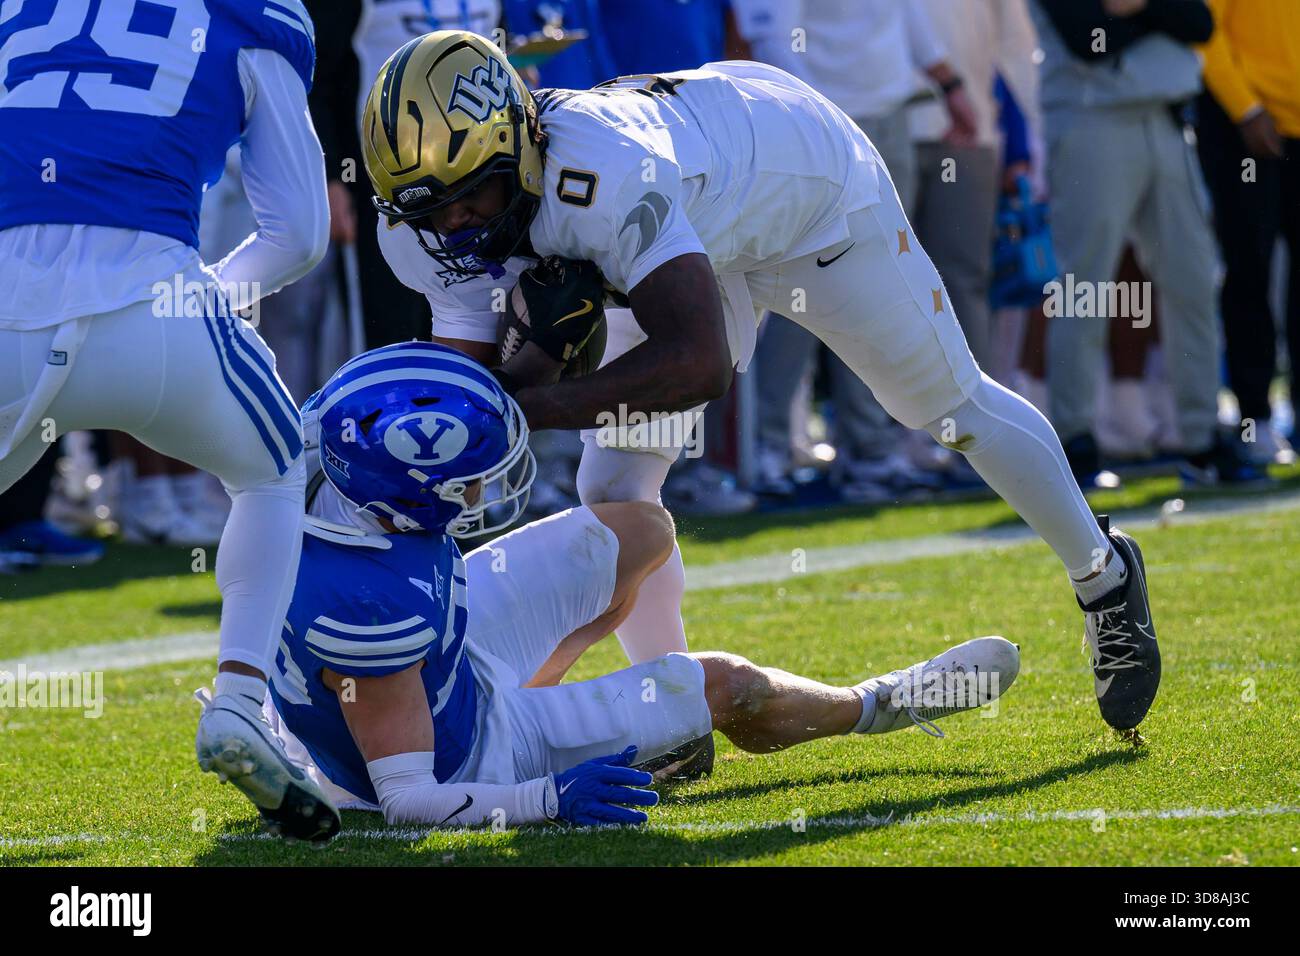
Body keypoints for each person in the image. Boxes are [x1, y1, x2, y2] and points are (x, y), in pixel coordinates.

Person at [363, 31, 1159, 733]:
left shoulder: (597, 175)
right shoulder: (422, 226)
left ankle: (1104, 574)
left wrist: (527, 403)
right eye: (435, 212)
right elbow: (472, 393)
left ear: (519, 146)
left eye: (473, 198)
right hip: (692, 229)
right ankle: (671, 718)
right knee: (613, 482)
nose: (456, 227)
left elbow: (696, 363)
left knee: (947, 406)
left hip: (805, 194)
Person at [258, 341, 1021, 828]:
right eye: (465, 484)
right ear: (404, 496)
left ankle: (553, 701)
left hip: (446, 668)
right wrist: (544, 799)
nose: (483, 493)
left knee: (639, 532)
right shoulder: (363, 607)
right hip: (463, 753)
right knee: (728, 685)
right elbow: (409, 802)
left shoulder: (331, 466)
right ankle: (880, 703)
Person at [0, 0, 338, 840]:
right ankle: (240, 702)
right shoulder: (252, 15)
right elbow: (298, 235)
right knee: (273, 472)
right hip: (158, 301)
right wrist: (192, 305)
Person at [1197, 0, 1300, 465]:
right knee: (1248, 270)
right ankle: (1253, 418)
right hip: (1243, 127)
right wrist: (1245, 108)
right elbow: (1206, 31)